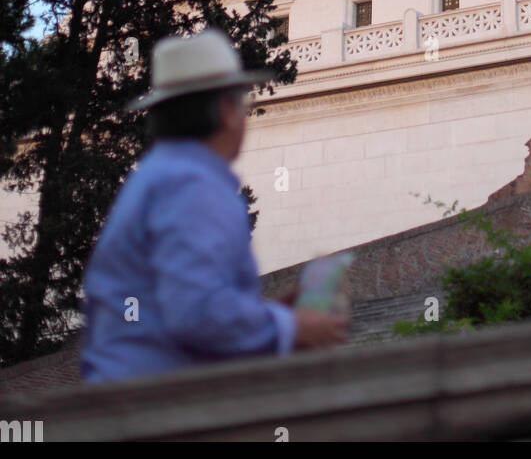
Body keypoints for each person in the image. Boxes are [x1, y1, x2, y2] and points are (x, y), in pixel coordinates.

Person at [80, 28, 347, 383]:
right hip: (155, 409)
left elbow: (176, 305)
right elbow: (196, 312)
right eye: (243, 104)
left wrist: (265, 315)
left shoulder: (158, 176)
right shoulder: (192, 183)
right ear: (225, 111)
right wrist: (290, 326)